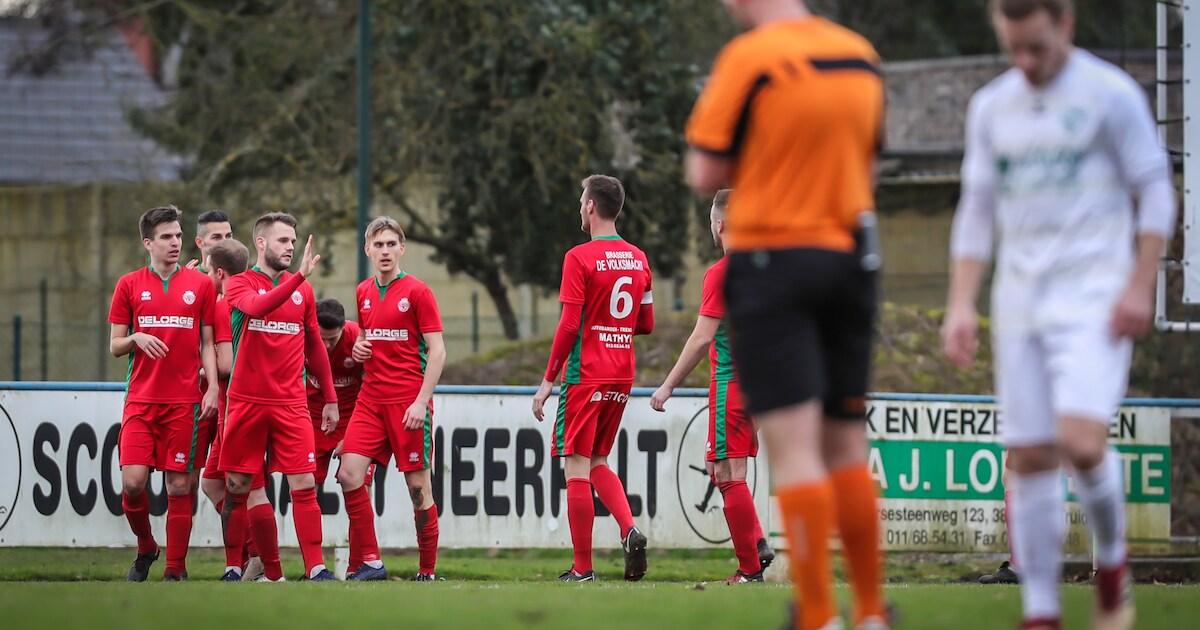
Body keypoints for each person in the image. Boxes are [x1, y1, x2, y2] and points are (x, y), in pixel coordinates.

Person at [941, 1, 1175, 628]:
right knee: (1032, 456)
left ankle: (1114, 565)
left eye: (1037, 48)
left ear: (1065, 24)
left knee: (1078, 441)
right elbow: (978, 208)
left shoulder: (1110, 94)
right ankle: (1041, 613)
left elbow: (1155, 189)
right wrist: (961, 303)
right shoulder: (993, 107)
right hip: (1019, 304)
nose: (1025, 62)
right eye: (1013, 48)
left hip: (1094, 300)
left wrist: (1140, 282)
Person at [684, 1, 887, 628]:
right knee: (847, 445)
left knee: (796, 450)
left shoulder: (749, 58)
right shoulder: (861, 55)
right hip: (852, 257)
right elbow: (871, 165)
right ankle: (873, 612)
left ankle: (820, 613)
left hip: (776, 261)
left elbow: (705, 170)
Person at [532, 175, 655, 583]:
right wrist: (612, 327)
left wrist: (549, 379)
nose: (578, 207)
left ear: (590, 207)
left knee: (575, 465)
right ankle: (629, 529)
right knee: (598, 460)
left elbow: (569, 325)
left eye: (579, 200)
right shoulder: (639, 259)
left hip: (585, 374)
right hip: (622, 373)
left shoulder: (579, 258)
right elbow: (647, 322)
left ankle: (583, 567)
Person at [650, 189, 774, 584]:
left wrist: (667, 385)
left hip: (731, 384)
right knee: (717, 464)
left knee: (728, 471)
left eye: (710, 224)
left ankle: (749, 569)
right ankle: (757, 545)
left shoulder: (721, 273)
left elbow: (702, 338)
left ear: (720, 225)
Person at [221, 212, 339, 582]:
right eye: (283, 240)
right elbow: (259, 307)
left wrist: (331, 397)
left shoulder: (302, 290)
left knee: (303, 483)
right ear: (261, 242)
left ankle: (316, 567)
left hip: (291, 403)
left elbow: (315, 344)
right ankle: (271, 573)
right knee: (242, 487)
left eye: (293, 240)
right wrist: (301, 277)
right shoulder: (239, 284)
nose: (290, 247)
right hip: (247, 402)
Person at [108, 205, 219, 581]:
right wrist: (136, 337)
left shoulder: (201, 285)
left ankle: (176, 568)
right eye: (166, 237)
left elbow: (208, 343)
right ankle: (146, 547)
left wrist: (213, 389)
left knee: (179, 485)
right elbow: (115, 345)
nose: (175, 243)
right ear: (148, 243)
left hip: (184, 403)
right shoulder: (129, 284)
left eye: (178, 235)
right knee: (133, 483)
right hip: (140, 400)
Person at [338, 217, 446, 582]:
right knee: (349, 475)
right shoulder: (363, 291)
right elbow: (368, 338)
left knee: (418, 489)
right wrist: (359, 347)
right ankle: (370, 561)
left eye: (390, 244)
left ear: (402, 249)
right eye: (377, 245)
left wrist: (420, 401)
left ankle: (427, 571)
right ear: (367, 249)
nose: (384, 251)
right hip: (370, 400)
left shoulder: (418, 292)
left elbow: (438, 351)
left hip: (407, 403)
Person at [197, 239, 267, 582]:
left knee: (246, 487)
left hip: (236, 409)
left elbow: (225, 365)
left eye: (207, 268)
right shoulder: (239, 299)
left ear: (219, 272)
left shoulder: (226, 304)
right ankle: (249, 555)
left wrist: (201, 369)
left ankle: (254, 558)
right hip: (235, 406)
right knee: (212, 483)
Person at [306, 298, 374, 578]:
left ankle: (359, 565)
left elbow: (370, 386)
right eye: (322, 339)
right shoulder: (302, 337)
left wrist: (354, 433)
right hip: (311, 420)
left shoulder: (358, 340)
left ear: (344, 328)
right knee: (305, 489)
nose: (328, 346)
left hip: (352, 420)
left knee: (358, 488)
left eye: (333, 340)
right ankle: (315, 567)